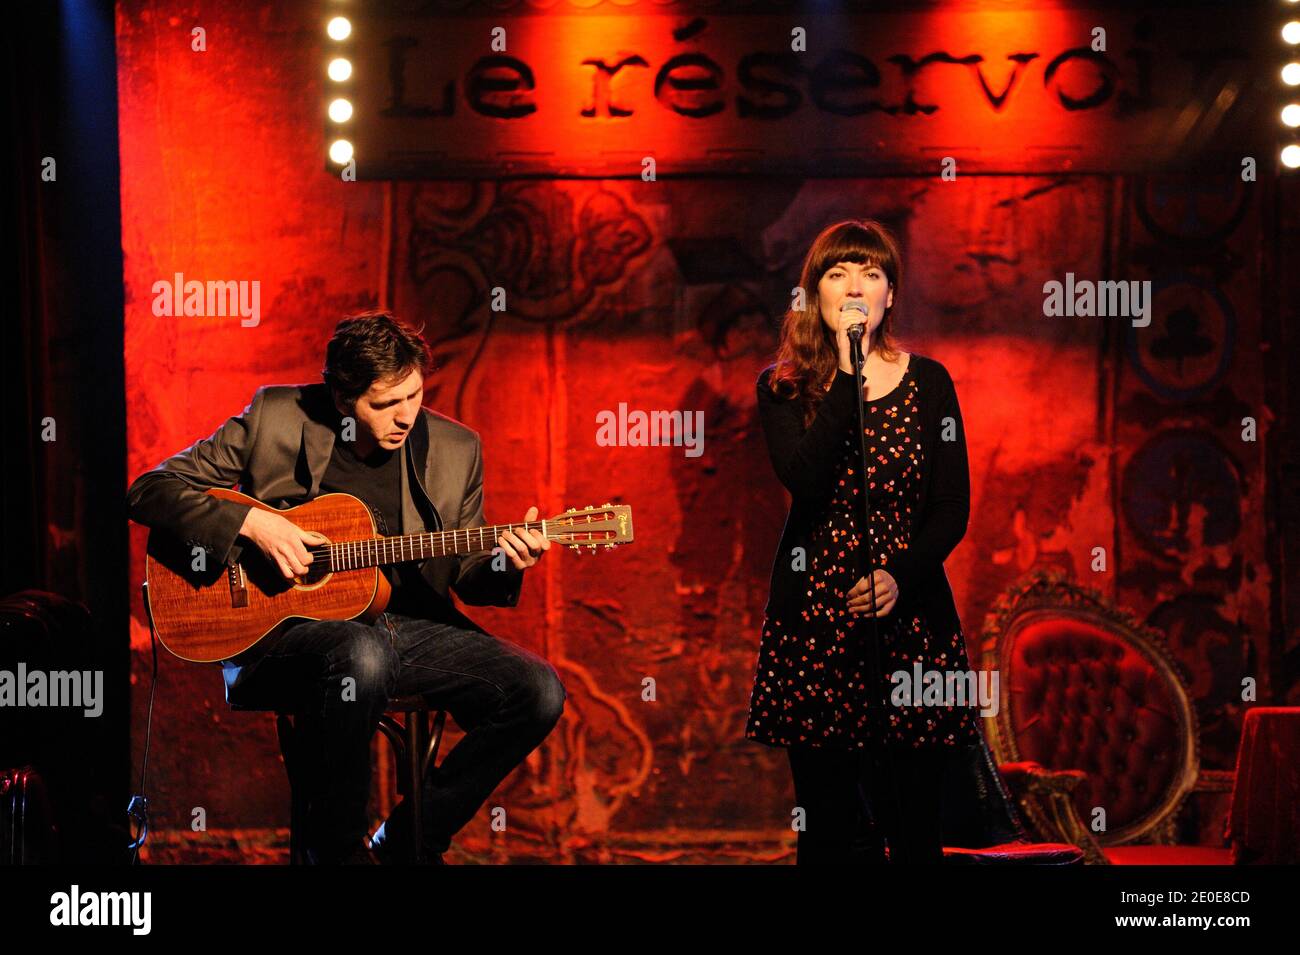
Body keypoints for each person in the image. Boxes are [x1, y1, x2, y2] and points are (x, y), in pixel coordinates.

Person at [127, 310, 565, 864]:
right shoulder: (277, 417)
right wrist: (253, 525)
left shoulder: (456, 451)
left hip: (404, 629)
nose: (405, 416)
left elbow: (471, 575)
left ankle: (409, 841)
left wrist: (509, 563)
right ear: (341, 398)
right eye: (384, 405)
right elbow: (150, 490)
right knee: (363, 651)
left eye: (413, 396)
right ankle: (337, 853)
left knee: (538, 691)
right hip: (284, 633)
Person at [744, 219, 980, 864]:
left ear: (890, 296)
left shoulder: (931, 383)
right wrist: (848, 377)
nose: (855, 286)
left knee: (915, 823)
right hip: (816, 620)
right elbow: (805, 479)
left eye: (871, 273)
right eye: (838, 272)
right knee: (828, 825)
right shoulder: (784, 386)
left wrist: (899, 574)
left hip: (910, 617)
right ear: (813, 293)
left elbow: (950, 507)